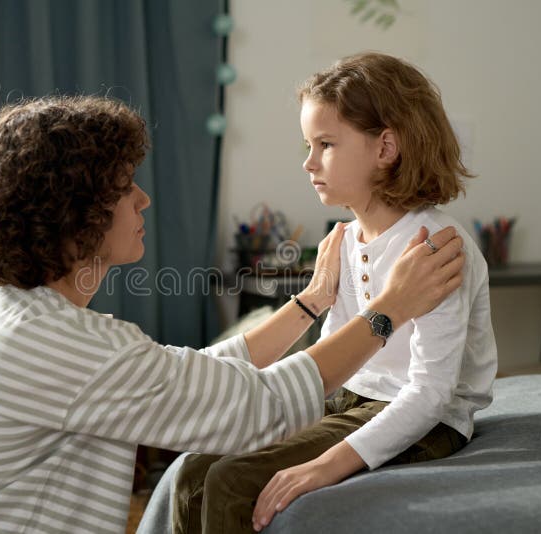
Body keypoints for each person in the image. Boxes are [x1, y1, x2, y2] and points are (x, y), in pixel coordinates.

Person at [0, 95, 464, 533]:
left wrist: (311, 303)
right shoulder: (51, 344)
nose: (144, 200)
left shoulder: (26, 317)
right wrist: (391, 309)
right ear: (77, 215)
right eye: (125, 188)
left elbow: (190, 376)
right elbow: (253, 408)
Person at [167, 52, 498, 534]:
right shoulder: (343, 240)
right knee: (195, 470)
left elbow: (430, 393)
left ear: (386, 148)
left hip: (425, 417)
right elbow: (338, 353)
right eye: (308, 144)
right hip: (350, 398)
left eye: (325, 144)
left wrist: (325, 465)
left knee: (234, 482)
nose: (308, 162)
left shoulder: (435, 248)